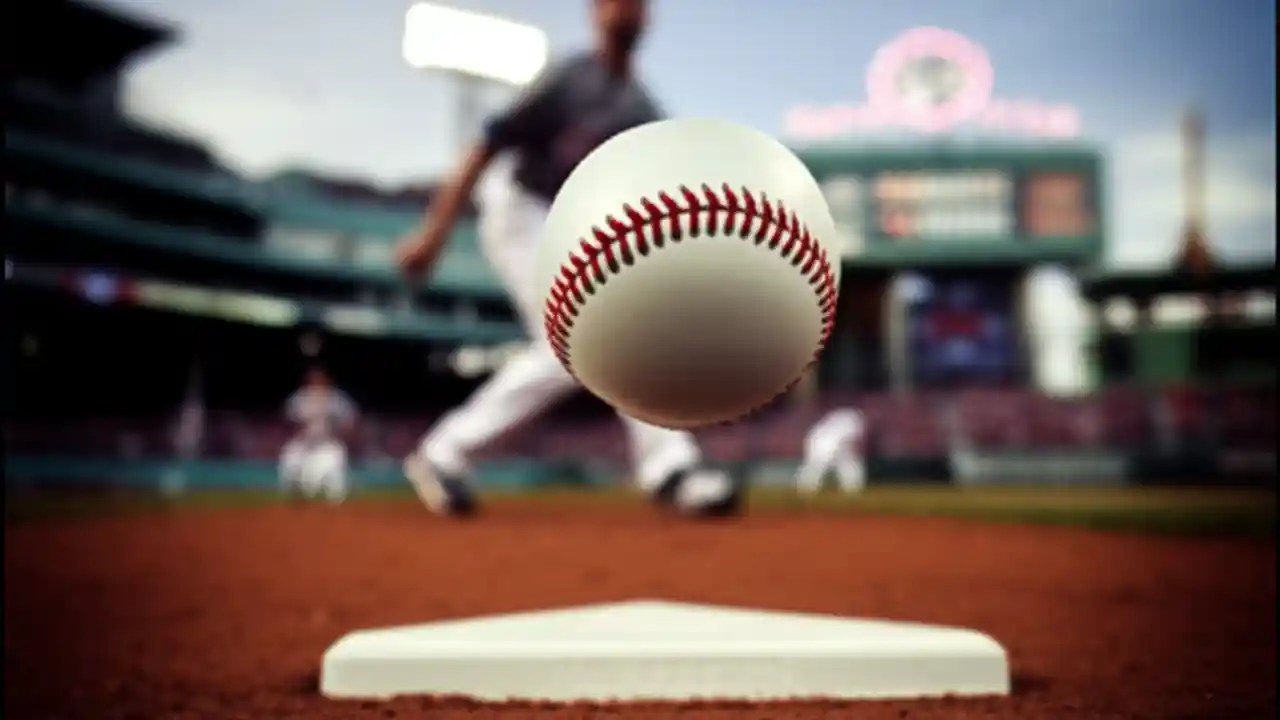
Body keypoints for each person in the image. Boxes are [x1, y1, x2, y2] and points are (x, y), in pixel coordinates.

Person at [395, 0, 740, 518]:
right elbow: (484, 147)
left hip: (569, 223)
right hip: (518, 208)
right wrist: (434, 232)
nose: (625, 9)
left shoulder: (641, 109)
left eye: (636, 3)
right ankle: (445, 451)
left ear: (648, 17)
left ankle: (669, 464)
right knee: (576, 338)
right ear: (595, 12)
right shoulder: (568, 78)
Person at [279, 367, 358, 504]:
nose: (317, 383)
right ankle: (296, 504)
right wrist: (300, 431)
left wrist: (338, 433)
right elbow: (287, 421)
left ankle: (336, 512)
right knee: (290, 467)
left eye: (320, 380)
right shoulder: (299, 398)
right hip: (303, 443)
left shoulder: (337, 399)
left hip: (328, 444)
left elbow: (350, 422)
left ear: (327, 381)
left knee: (334, 478)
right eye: (314, 380)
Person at [795, 407, 867, 495]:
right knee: (848, 466)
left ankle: (804, 492)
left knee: (848, 466)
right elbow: (851, 442)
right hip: (825, 443)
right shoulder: (855, 419)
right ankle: (804, 492)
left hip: (819, 440)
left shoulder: (843, 416)